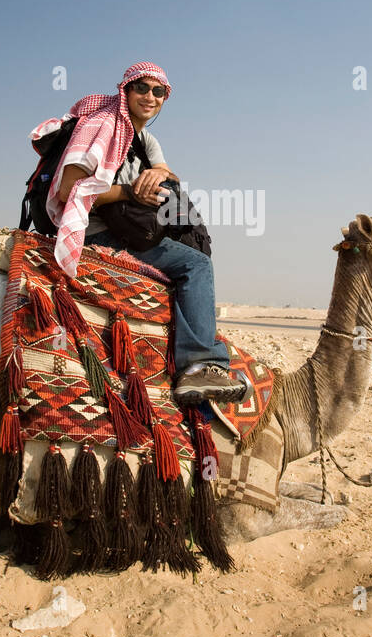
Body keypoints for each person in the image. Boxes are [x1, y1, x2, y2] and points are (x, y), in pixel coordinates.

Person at [32, 61, 246, 406]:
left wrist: (159, 175)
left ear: (165, 98)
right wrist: (130, 192)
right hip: (96, 233)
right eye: (141, 88)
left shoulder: (143, 139)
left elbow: (168, 173)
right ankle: (201, 364)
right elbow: (67, 189)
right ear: (125, 91)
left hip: (126, 230)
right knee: (196, 266)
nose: (150, 96)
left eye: (158, 91)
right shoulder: (101, 126)